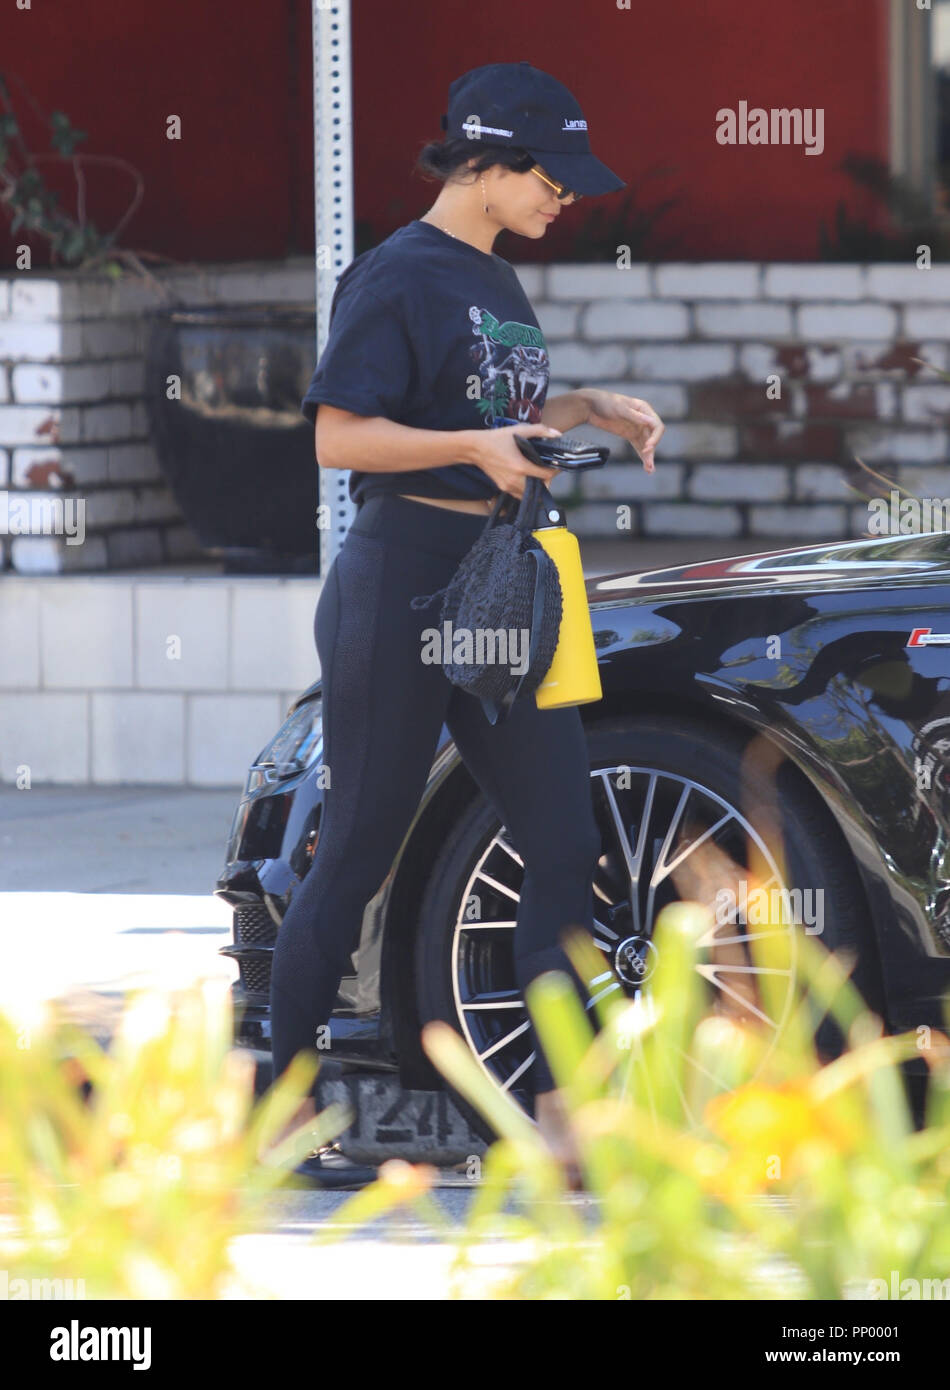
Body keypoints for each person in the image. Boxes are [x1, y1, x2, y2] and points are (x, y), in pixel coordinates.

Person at [266, 61, 664, 1189]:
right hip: (402, 583)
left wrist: (577, 409)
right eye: (551, 174)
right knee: (357, 849)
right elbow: (337, 438)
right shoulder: (394, 276)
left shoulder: (495, 276)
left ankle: (564, 1129)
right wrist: (473, 451)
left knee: (563, 841)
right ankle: (275, 1118)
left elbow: (487, 410)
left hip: (500, 582)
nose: (566, 197)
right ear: (484, 161)